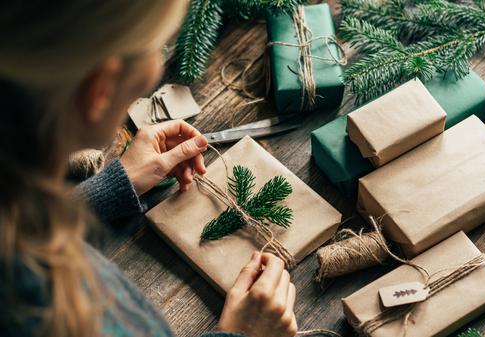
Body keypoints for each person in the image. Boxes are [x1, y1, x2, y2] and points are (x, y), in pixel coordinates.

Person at [0, 2, 297, 337]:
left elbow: (30, 225)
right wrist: (242, 333)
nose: (159, 66)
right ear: (100, 90)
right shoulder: (61, 313)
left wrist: (113, 187)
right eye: (157, 45)